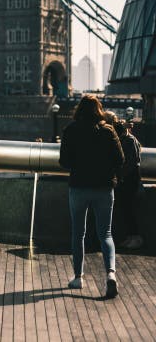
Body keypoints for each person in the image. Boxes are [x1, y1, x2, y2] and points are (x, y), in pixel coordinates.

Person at [59, 94, 124, 299]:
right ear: (99, 110)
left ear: (79, 109)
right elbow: (120, 159)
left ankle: (78, 278)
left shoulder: (71, 130)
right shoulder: (108, 131)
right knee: (105, 234)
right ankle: (110, 274)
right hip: (104, 188)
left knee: (78, 233)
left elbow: (64, 161)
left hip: (79, 187)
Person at [114, 120, 143, 249]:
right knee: (126, 209)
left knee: (129, 208)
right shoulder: (129, 139)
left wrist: (120, 176)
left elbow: (131, 163)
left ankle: (135, 237)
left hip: (129, 181)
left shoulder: (129, 140)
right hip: (128, 180)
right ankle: (130, 237)